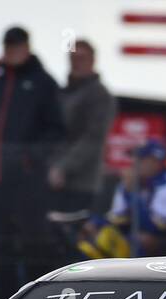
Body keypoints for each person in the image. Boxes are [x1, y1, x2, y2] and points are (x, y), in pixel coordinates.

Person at [0, 26, 64, 297]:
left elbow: (56, 129)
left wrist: (29, 158)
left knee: (34, 244)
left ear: (27, 47)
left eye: (16, 46)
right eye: (7, 47)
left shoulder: (43, 82)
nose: (12, 52)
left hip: (29, 183)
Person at [78, 139, 166, 258]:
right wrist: (96, 223)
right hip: (134, 233)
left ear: (155, 162)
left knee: (139, 240)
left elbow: (155, 227)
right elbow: (118, 217)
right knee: (94, 237)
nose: (134, 162)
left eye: (140, 159)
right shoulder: (132, 181)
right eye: (134, 158)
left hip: (164, 239)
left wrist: (131, 194)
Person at [49, 38, 116, 214]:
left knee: (71, 235)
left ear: (93, 61)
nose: (76, 63)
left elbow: (92, 139)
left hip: (81, 184)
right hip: (54, 179)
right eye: (73, 58)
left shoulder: (100, 96)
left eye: (81, 58)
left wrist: (63, 167)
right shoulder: (63, 93)